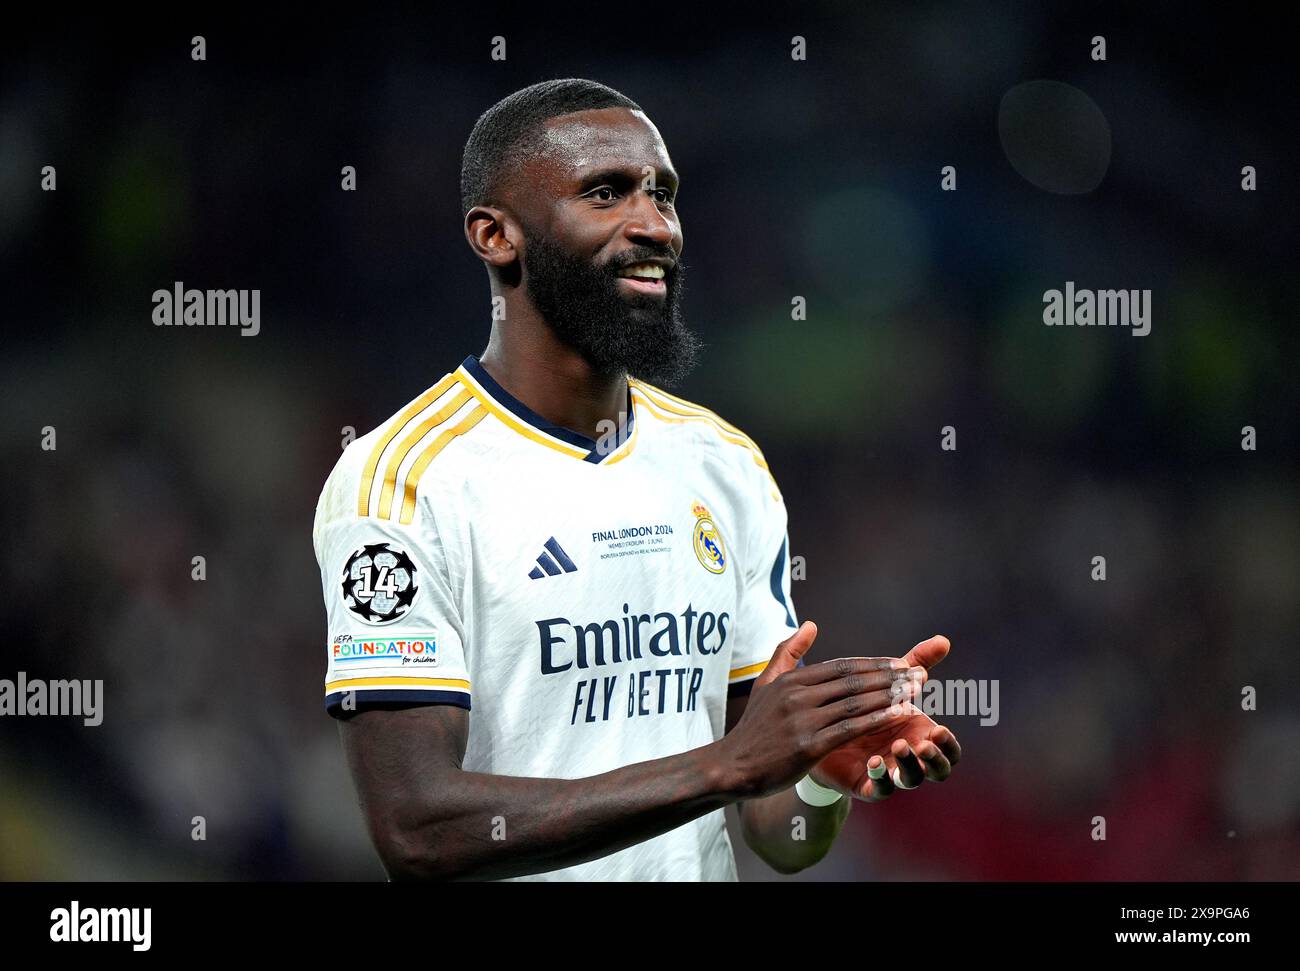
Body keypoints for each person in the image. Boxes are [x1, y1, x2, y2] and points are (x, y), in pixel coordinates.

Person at [312, 78, 961, 881]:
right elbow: (416, 827)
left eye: (663, 194)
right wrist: (726, 765)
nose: (654, 224)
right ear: (495, 236)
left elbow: (778, 837)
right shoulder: (403, 480)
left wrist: (821, 779)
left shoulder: (723, 464)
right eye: (606, 193)